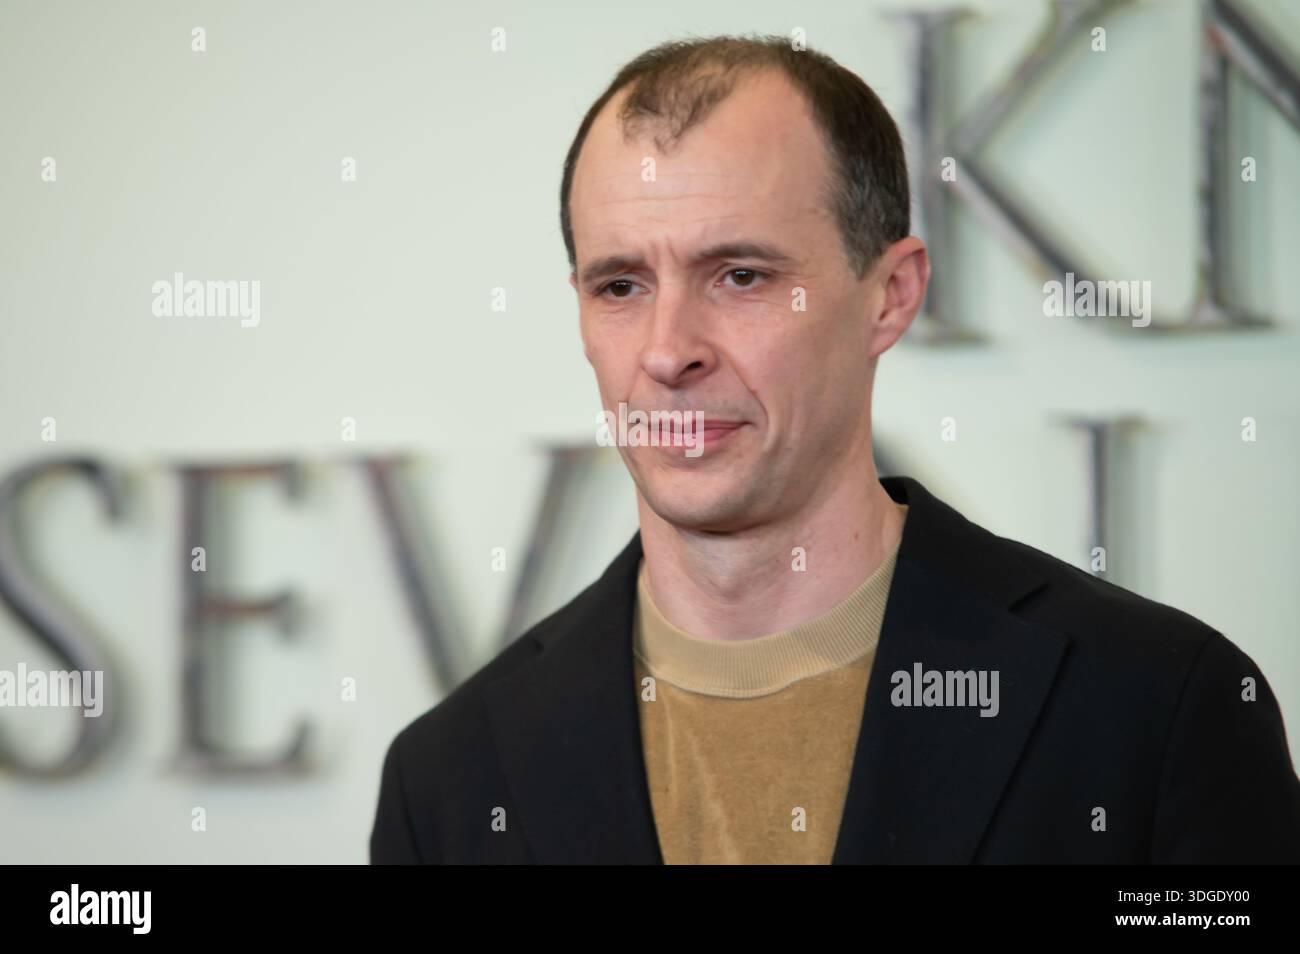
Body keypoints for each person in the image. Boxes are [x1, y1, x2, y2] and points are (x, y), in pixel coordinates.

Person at [370, 35, 1300, 864]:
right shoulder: (449, 778)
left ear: (890, 295)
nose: (666, 350)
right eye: (620, 285)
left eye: (740, 275)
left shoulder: (1158, 710)